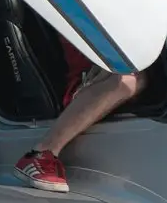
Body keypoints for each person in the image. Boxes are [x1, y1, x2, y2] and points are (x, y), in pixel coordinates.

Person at [13, 30, 141, 192]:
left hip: (114, 72)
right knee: (126, 81)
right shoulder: (82, 15)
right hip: (85, 85)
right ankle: (41, 152)